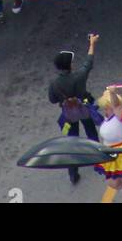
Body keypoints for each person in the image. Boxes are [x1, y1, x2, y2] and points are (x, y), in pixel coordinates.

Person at [49, 33, 101, 185]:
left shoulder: (54, 84)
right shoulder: (79, 76)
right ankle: (98, 160)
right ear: (69, 66)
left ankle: (73, 173)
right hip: (84, 108)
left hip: (69, 113)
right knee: (91, 133)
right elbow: (88, 63)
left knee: (72, 141)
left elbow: (52, 100)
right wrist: (92, 43)